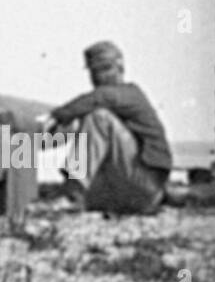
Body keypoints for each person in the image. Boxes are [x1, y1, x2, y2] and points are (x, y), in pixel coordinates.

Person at [45, 41, 173, 214]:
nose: (99, 76)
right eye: (94, 71)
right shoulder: (104, 102)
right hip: (125, 189)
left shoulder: (130, 93)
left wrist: (55, 115)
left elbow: (101, 97)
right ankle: (73, 194)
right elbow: (66, 130)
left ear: (120, 68)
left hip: (146, 185)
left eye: (105, 68)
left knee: (99, 118)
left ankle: (73, 194)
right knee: (83, 121)